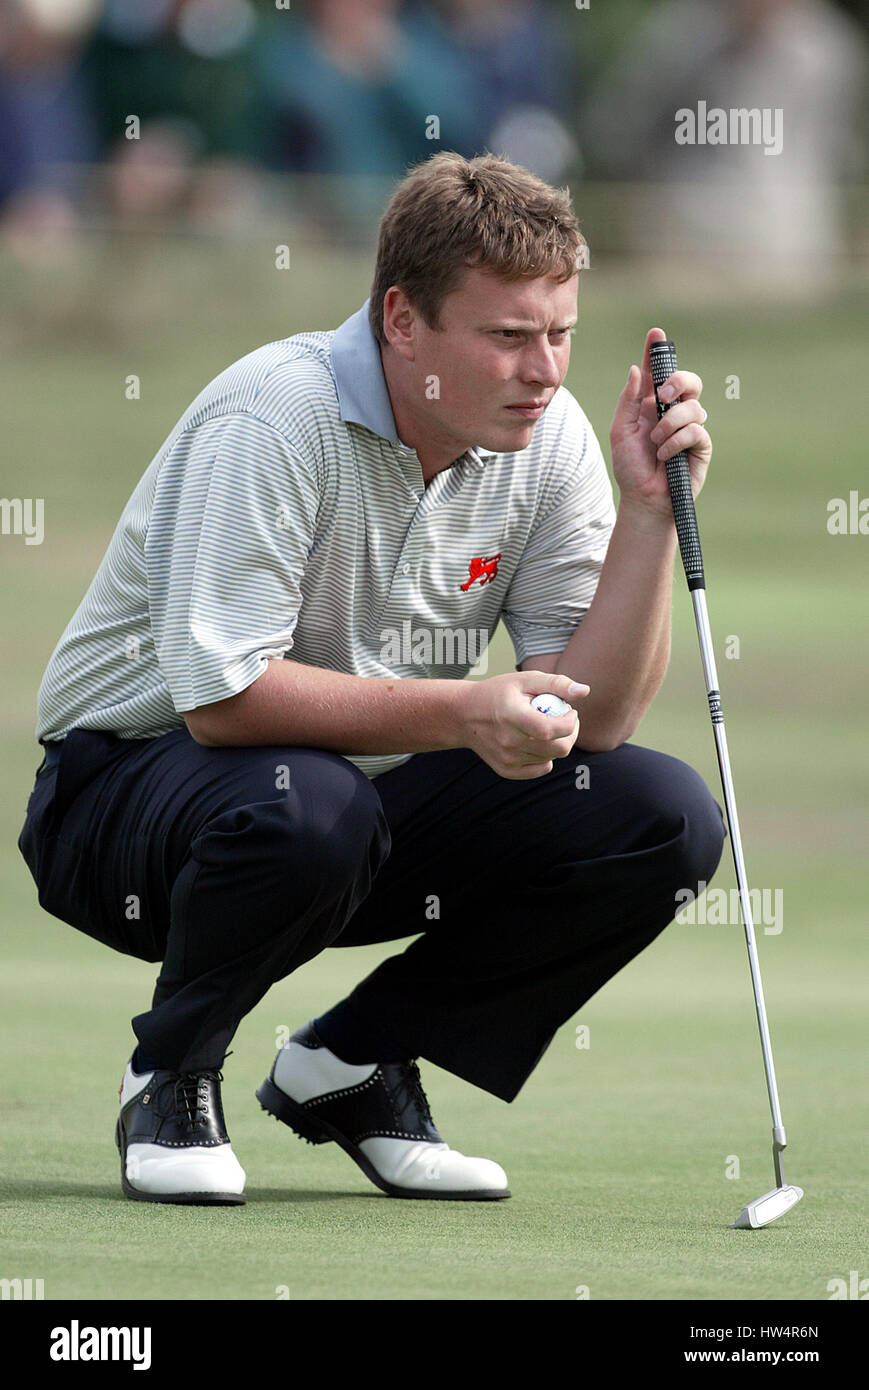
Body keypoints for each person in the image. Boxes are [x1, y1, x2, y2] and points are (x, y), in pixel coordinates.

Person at [18, 151, 725, 1206]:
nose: (542, 369)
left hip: (344, 811)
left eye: (559, 334)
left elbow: (600, 717)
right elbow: (220, 705)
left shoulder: (552, 438)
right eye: (506, 337)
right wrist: (460, 711)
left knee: (656, 813)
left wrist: (645, 520)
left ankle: (351, 1062)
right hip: (124, 799)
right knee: (312, 801)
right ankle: (168, 1075)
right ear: (402, 321)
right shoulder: (272, 416)